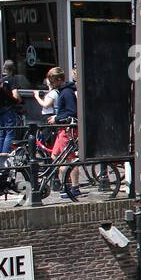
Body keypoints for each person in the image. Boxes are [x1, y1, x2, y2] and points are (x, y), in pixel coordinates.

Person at [47, 67, 80, 200]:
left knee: (70, 158)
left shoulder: (67, 92)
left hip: (68, 129)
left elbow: (72, 111)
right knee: (55, 156)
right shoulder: (63, 91)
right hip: (63, 129)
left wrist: (57, 118)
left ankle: (74, 187)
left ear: (59, 80)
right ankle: (67, 183)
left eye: (53, 82)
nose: (51, 84)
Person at [0, 60, 24, 155]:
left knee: (1, 132)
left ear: (4, 68)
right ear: (13, 69)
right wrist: (20, 100)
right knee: (10, 133)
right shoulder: (12, 79)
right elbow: (15, 95)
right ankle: (5, 155)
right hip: (8, 109)